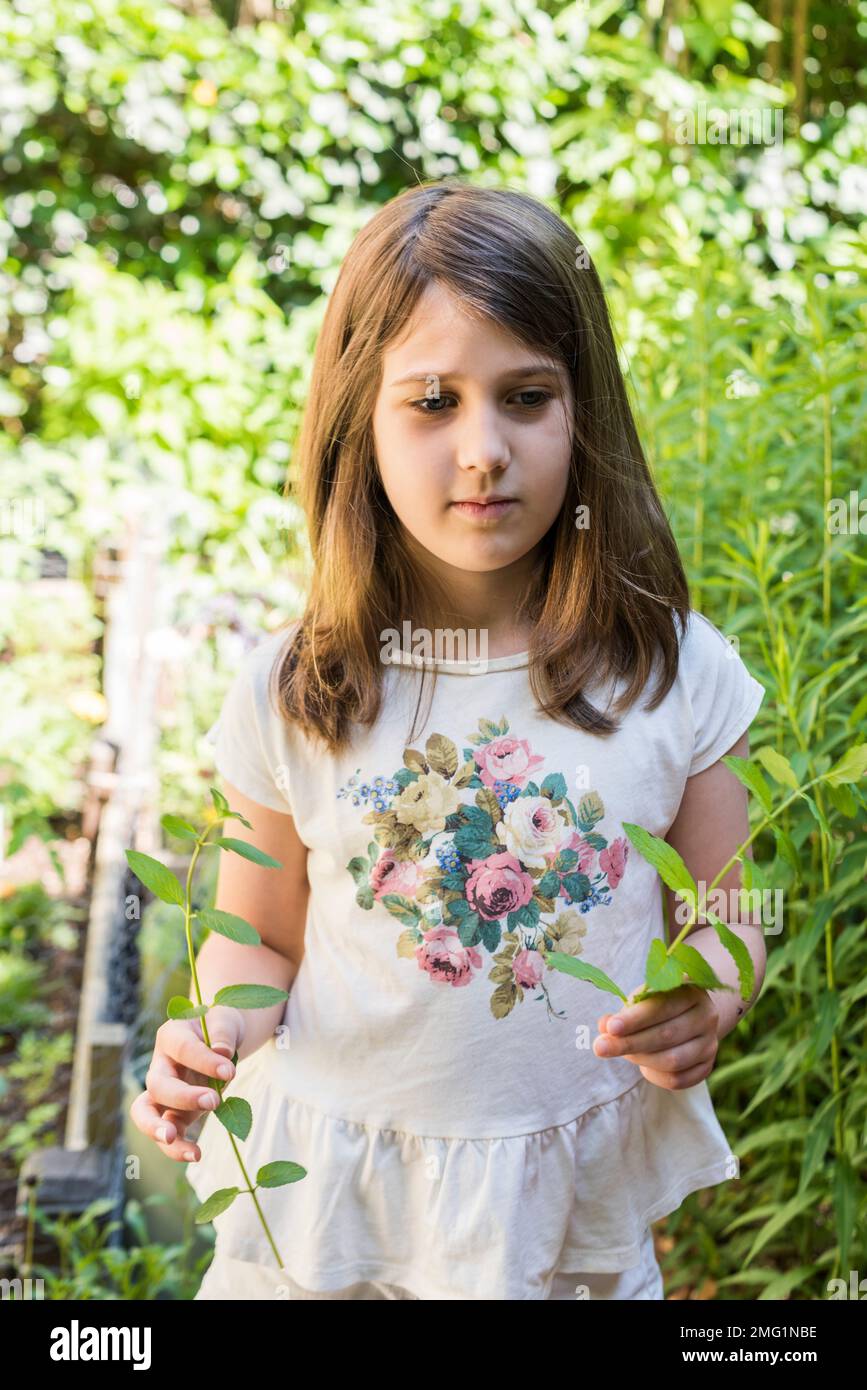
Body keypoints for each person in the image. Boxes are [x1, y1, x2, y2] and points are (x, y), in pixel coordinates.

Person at [130, 180, 767, 1301]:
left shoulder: (672, 672)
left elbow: (725, 911)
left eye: (526, 396)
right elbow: (260, 942)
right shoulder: (299, 689)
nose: (484, 449)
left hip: (562, 1218)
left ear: (586, 413)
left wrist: (708, 996)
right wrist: (212, 1031)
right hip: (334, 1213)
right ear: (356, 424)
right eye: (432, 400)